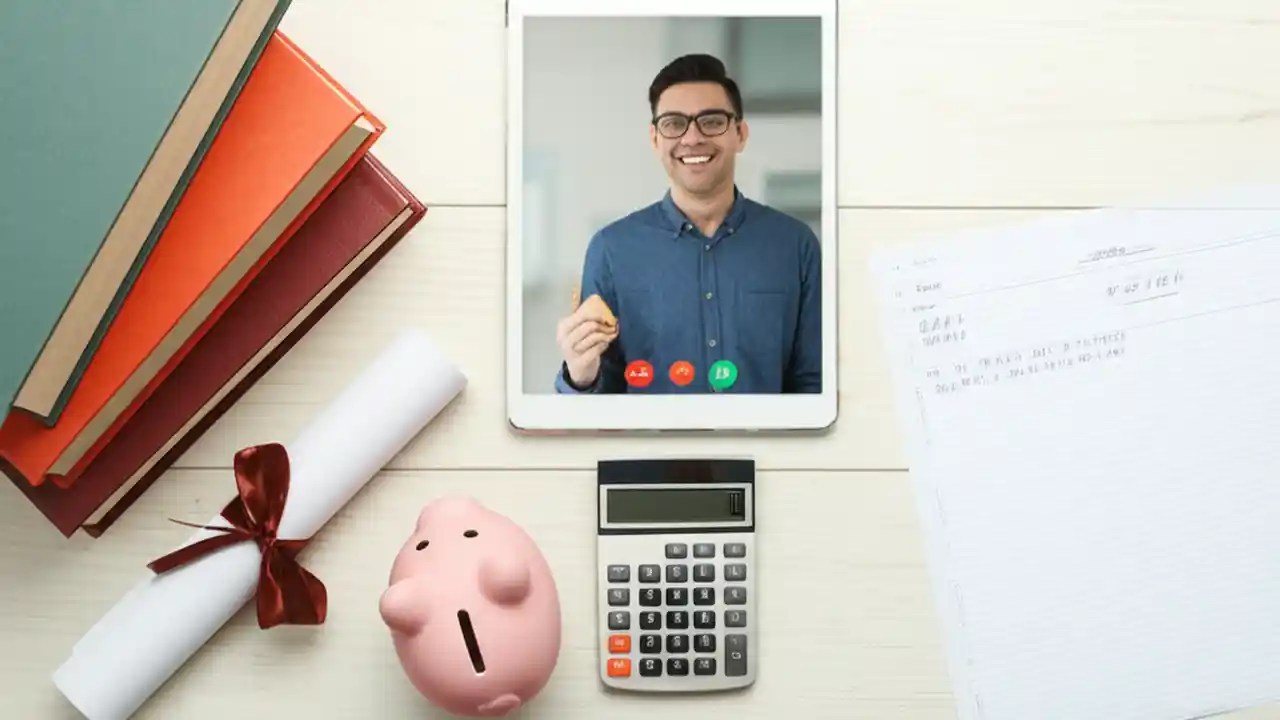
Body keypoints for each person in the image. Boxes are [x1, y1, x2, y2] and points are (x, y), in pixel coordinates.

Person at [554, 53, 821, 394]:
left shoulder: (795, 245)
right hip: (648, 449)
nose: (692, 137)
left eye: (711, 121)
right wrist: (579, 375)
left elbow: (814, 385)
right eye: (674, 123)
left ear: (740, 134)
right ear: (655, 139)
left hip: (767, 448)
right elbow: (597, 396)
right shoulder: (611, 250)